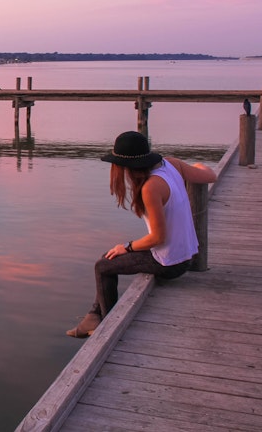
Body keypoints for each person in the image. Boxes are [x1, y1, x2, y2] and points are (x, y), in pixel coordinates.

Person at [66, 130, 217, 338]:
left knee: (102, 266)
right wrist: (199, 166)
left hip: (171, 263)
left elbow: (158, 238)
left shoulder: (150, 188)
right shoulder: (172, 164)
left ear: (125, 166)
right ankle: (94, 316)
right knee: (108, 258)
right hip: (187, 254)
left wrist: (126, 247)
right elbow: (210, 175)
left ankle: (107, 325)